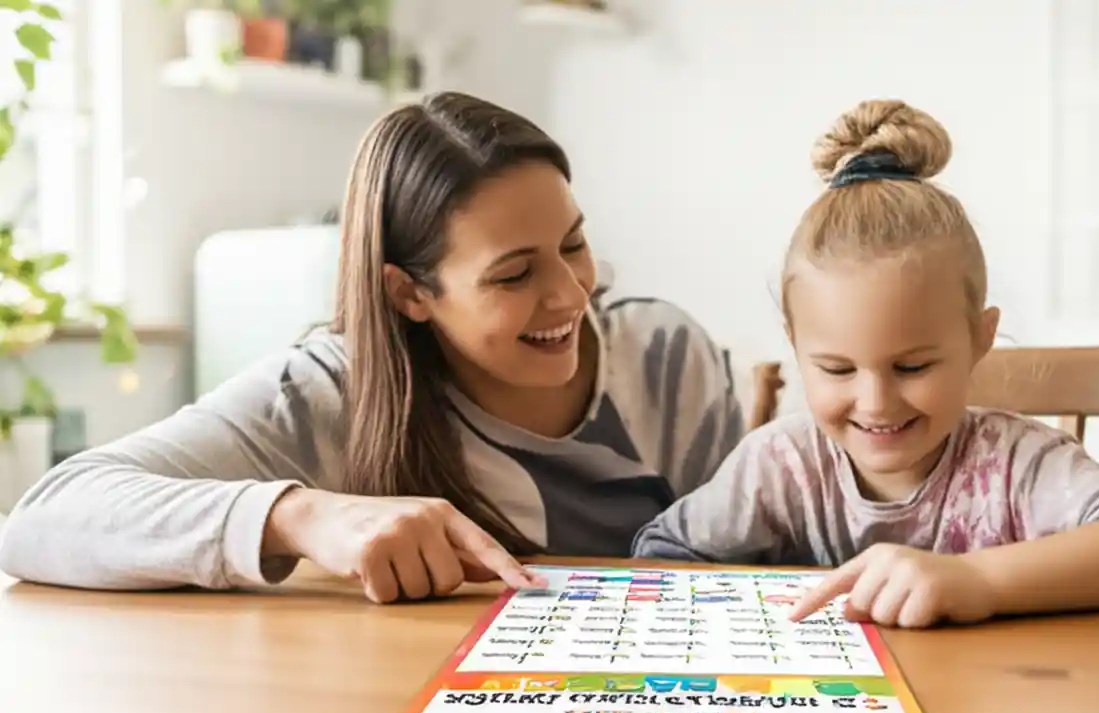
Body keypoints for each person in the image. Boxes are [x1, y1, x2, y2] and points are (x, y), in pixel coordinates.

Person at [0, 93, 744, 604]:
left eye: (574, 244)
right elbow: (44, 518)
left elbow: (756, 560)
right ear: (408, 293)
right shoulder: (327, 392)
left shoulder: (666, 354)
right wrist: (303, 516)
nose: (570, 294)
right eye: (513, 274)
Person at [633, 99, 1099, 628]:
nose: (876, 403)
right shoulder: (778, 467)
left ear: (979, 337)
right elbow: (657, 559)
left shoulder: (1015, 467)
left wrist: (979, 580)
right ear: (794, 345)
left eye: (912, 367)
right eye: (837, 370)